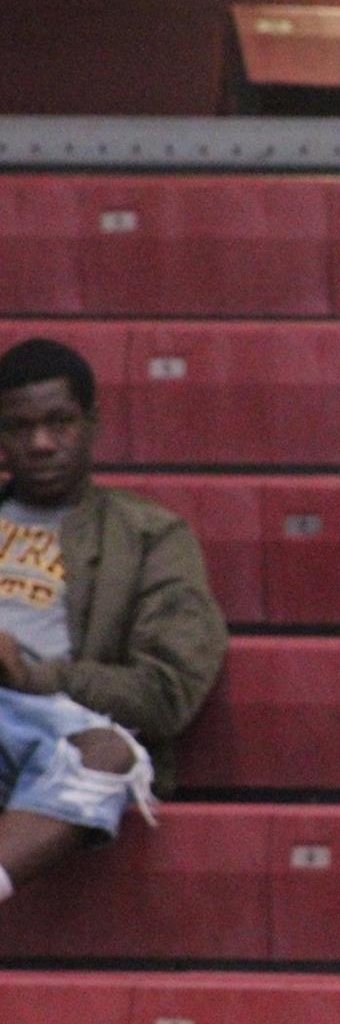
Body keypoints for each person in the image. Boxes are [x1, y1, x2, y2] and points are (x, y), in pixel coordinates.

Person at [0, 337, 227, 902]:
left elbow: (167, 693)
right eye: (19, 428)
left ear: (93, 424)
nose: (41, 443)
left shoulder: (149, 536)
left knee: (108, 753)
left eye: (60, 423)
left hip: (55, 722)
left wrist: (35, 677)